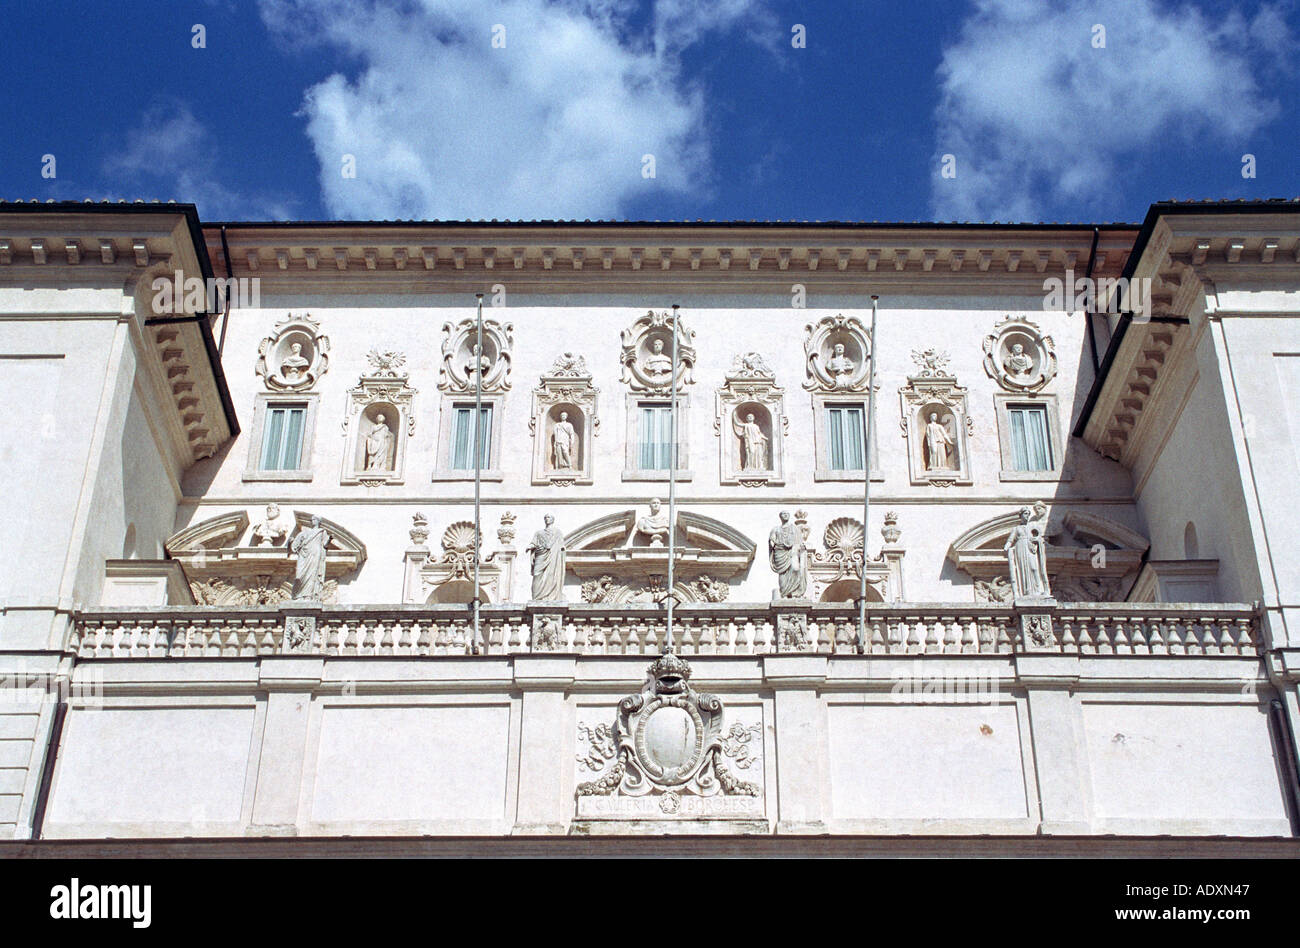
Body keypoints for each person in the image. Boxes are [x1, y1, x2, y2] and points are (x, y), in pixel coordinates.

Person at [526, 514, 566, 601]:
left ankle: (551, 595)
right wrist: (530, 546)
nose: (547, 519)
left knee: (551, 574)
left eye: (549, 517)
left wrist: (562, 549)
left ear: (553, 520)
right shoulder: (539, 533)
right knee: (537, 574)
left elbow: (561, 545)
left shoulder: (557, 532)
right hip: (540, 554)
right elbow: (534, 542)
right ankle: (536, 596)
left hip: (552, 556)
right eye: (545, 517)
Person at [768, 511, 808, 599]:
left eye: (787, 514)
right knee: (782, 574)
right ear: (780, 516)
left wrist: (801, 548)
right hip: (780, 552)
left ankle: (794, 592)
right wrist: (772, 543)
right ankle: (784, 593)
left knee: (795, 568)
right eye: (783, 514)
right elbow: (772, 539)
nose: (785, 515)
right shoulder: (776, 529)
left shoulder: (794, 528)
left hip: (792, 551)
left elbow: (799, 540)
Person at [290, 516, 330, 601]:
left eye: (314, 519)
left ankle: (308, 595)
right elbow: (295, 545)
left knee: (312, 574)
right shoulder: (305, 532)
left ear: (318, 521)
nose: (313, 521)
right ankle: (298, 594)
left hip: (315, 554)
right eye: (312, 519)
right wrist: (291, 542)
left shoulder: (322, 532)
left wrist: (330, 539)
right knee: (299, 576)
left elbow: (325, 544)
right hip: (304, 554)